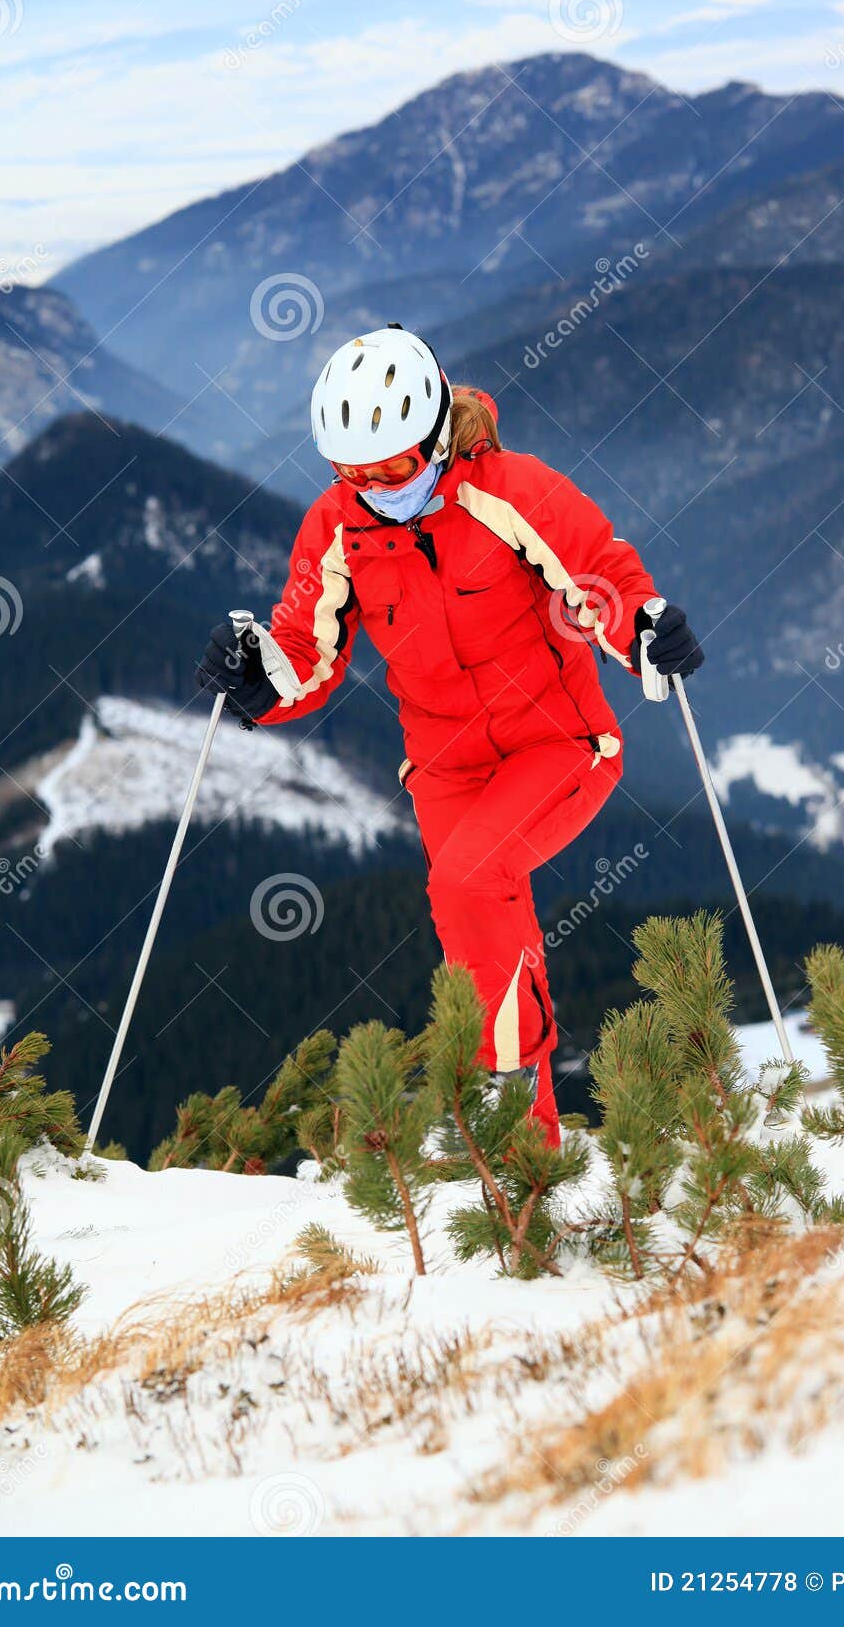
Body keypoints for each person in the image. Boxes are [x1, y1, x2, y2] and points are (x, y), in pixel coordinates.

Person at [196, 325, 703, 1144]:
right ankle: (531, 1153)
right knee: (483, 936)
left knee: (468, 884)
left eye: (392, 467)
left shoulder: (508, 490)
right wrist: (258, 673)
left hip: (557, 745)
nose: (372, 487)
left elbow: (596, 575)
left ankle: (498, 1093)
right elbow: (306, 649)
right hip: (443, 765)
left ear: (433, 440)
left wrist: (641, 629)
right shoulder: (338, 529)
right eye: (351, 472)